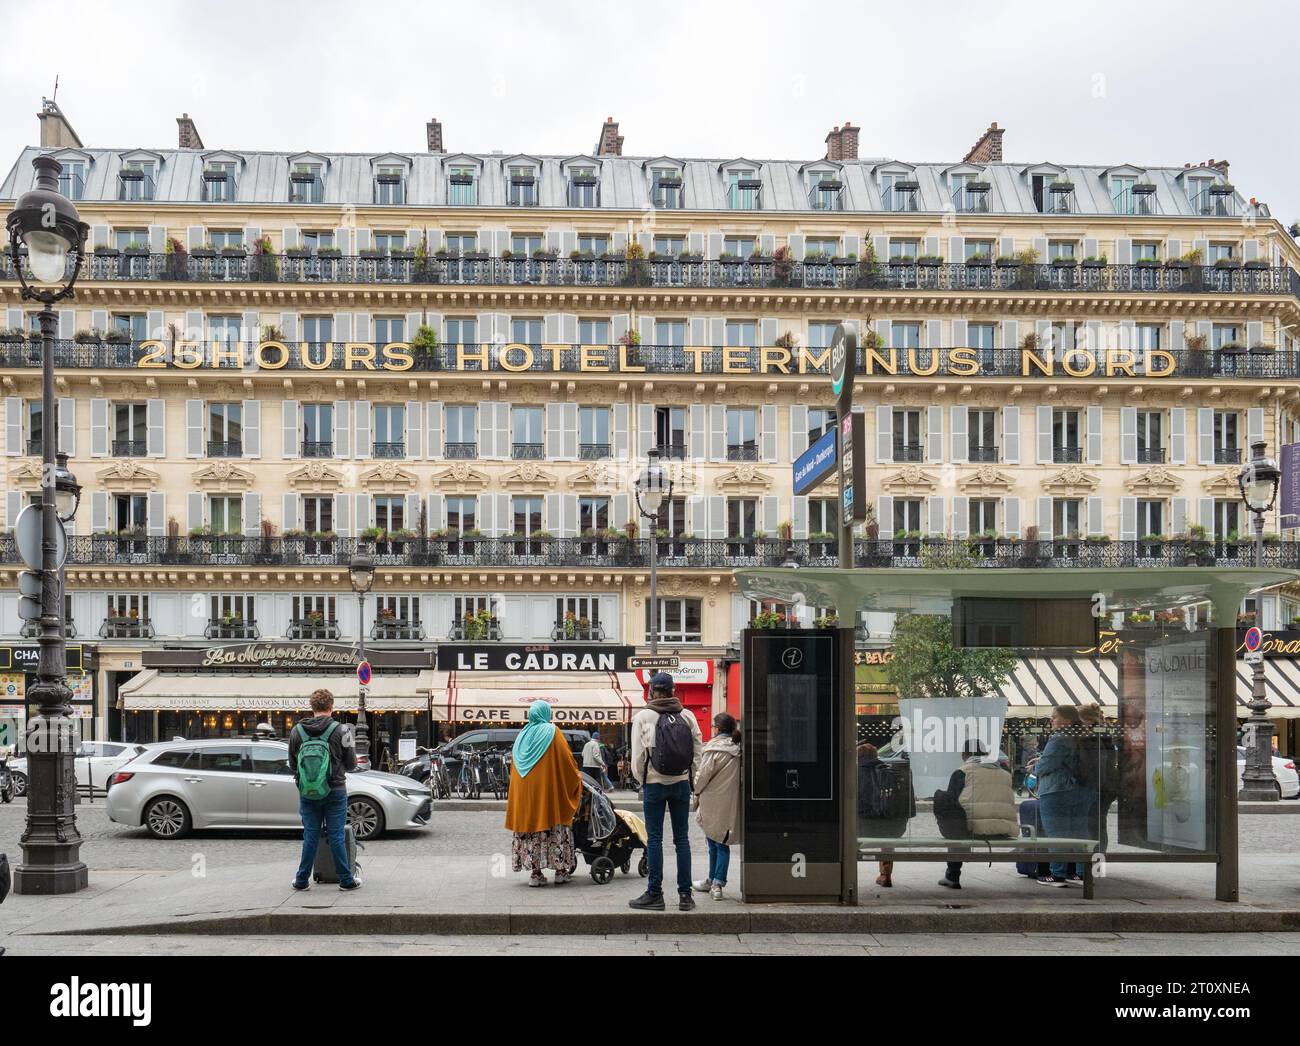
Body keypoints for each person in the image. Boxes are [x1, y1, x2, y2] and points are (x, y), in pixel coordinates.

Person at [628, 671, 703, 911]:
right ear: (673, 690)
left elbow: (638, 756)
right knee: (682, 840)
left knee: (655, 839)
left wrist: (643, 779)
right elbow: (698, 752)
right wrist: (691, 780)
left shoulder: (644, 717)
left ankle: (655, 894)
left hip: (654, 784)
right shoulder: (688, 715)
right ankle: (685, 896)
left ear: (651, 691)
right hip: (681, 784)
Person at [504, 700, 583, 887]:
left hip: (525, 798)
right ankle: (560, 871)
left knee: (531, 830)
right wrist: (576, 778)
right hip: (549, 794)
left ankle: (535, 874)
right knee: (555, 827)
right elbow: (567, 761)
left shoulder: (522, 735)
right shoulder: (552, 731)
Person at [288, 688, 359, 892]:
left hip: (307, 791)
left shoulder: (296, 731)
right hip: (335, 789)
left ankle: (301, 880)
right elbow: (352, 763)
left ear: (312, 707)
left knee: (310, 835)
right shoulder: (342, 730)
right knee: (336, 835)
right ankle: (346, 880)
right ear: (331, 706)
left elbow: (293, 764)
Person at [934, 740, 1018, 889]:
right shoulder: (1005, 774)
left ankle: (952, 875)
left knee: (955, 822)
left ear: (964, 755)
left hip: (973, 830)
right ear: (986, 754)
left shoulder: (962, 772)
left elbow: (951, 805)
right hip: (1004, 829)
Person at [1032, 706, 1088, 887]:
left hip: (1056, 790)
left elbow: (1045, 767)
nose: (1051, 721)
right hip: (1081, 790)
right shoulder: (1083, 737)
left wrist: (1035, 765)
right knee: (1079, 832)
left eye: (1055, 717)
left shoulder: (1059, 738)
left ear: (1067, 720)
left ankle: (1057, 874)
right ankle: (1081, 873)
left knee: (1055, 833)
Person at [691, 712, 742, 900]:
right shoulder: (737, 749)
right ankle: (714, 881)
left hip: (711, 800)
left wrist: (695, 789)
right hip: (729, 801)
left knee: (714, 842)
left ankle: (716, 882)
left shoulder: (712, 749)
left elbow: (702, 776)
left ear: (717, 728)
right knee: (721, 840)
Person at [857, 742, 915, 887]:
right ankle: (885, 875)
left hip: (864, 829)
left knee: (851, 830)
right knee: (887, 837)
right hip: (894, 829)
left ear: (858, 757)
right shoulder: (891, 772)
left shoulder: (855, 773)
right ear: (876, 756)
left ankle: (849, 868)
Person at [1078, 702, 1118, 852]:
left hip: (1098, 786)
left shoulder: (1093, 736)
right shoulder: (1102, 734)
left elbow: (1095, 764)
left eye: (1080, 721)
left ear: (1088, 720)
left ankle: (1094, 859)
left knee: (1094, 824)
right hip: (1105, 786)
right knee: (1098, 823)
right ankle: (1097, 859)